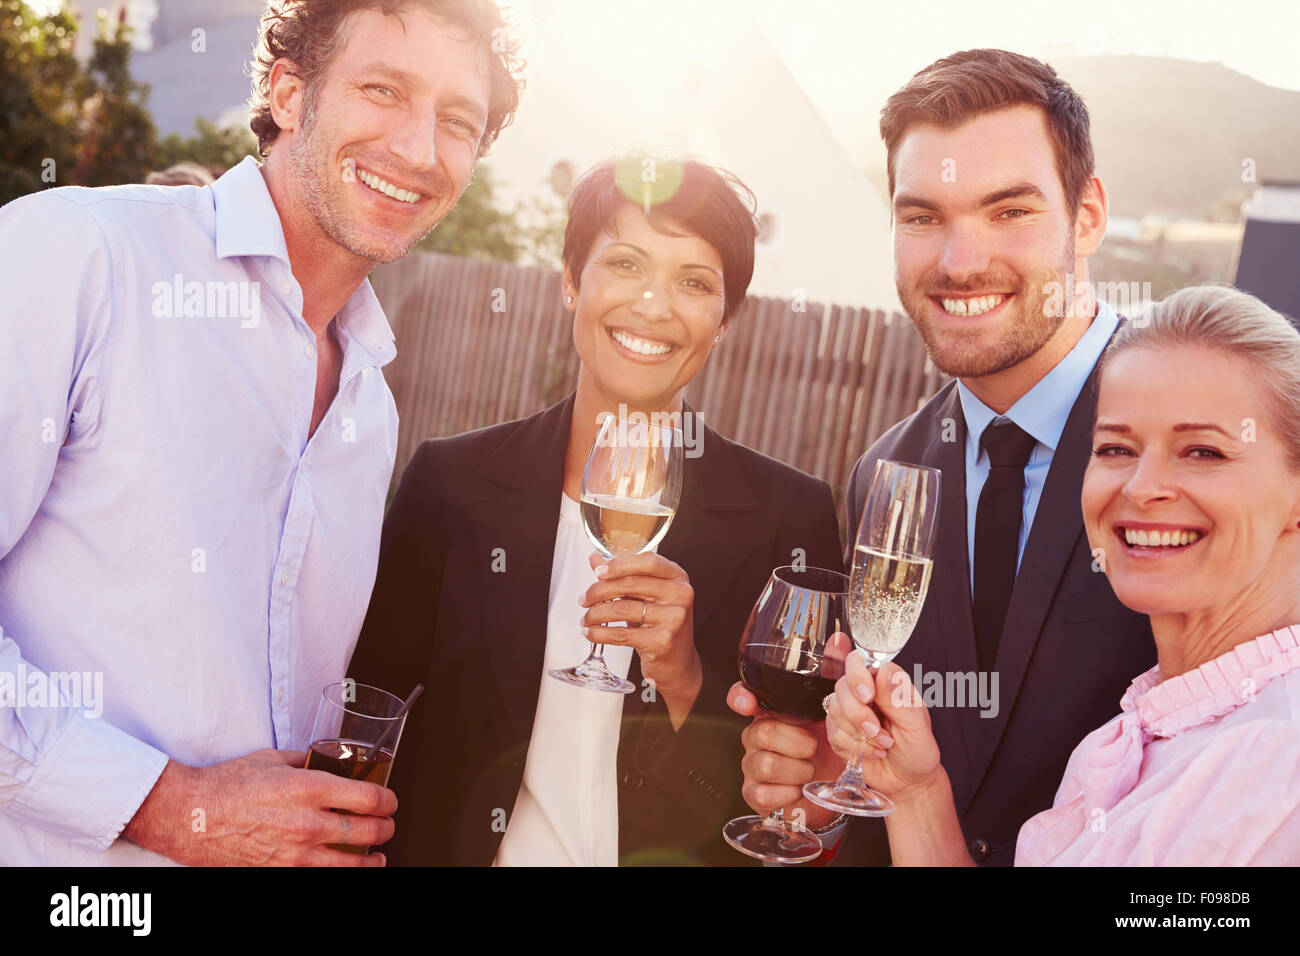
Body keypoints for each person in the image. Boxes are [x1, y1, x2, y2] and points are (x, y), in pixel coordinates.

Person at [0, 0, 522, 866]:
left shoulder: (370, 406)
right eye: (383, 89)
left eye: (457, 120)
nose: (420, 150)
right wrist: (170, 806)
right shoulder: (80, 257)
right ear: (288, 92)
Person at [347, 154, 845, 866]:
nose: (653, 305)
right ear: (572, 282)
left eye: (694, 281)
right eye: (626, 265)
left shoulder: (788, 520)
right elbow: (368, 719)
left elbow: (789, 818)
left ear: (725, 319)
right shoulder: (448, 487)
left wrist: (684, 681)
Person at [729, 48, 1158, 865]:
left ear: (1088, 215)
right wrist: (827, 800)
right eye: (923, 217)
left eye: (1008, 211)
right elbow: (892, 794)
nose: (960, 263)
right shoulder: (885, 475)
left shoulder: (1197, 446)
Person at [823, 284, 1300, 865]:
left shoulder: (1275, 761)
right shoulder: (1142, 731)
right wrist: (916, 791)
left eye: (1203, 451)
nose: (1141, 487)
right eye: (1116, 449)